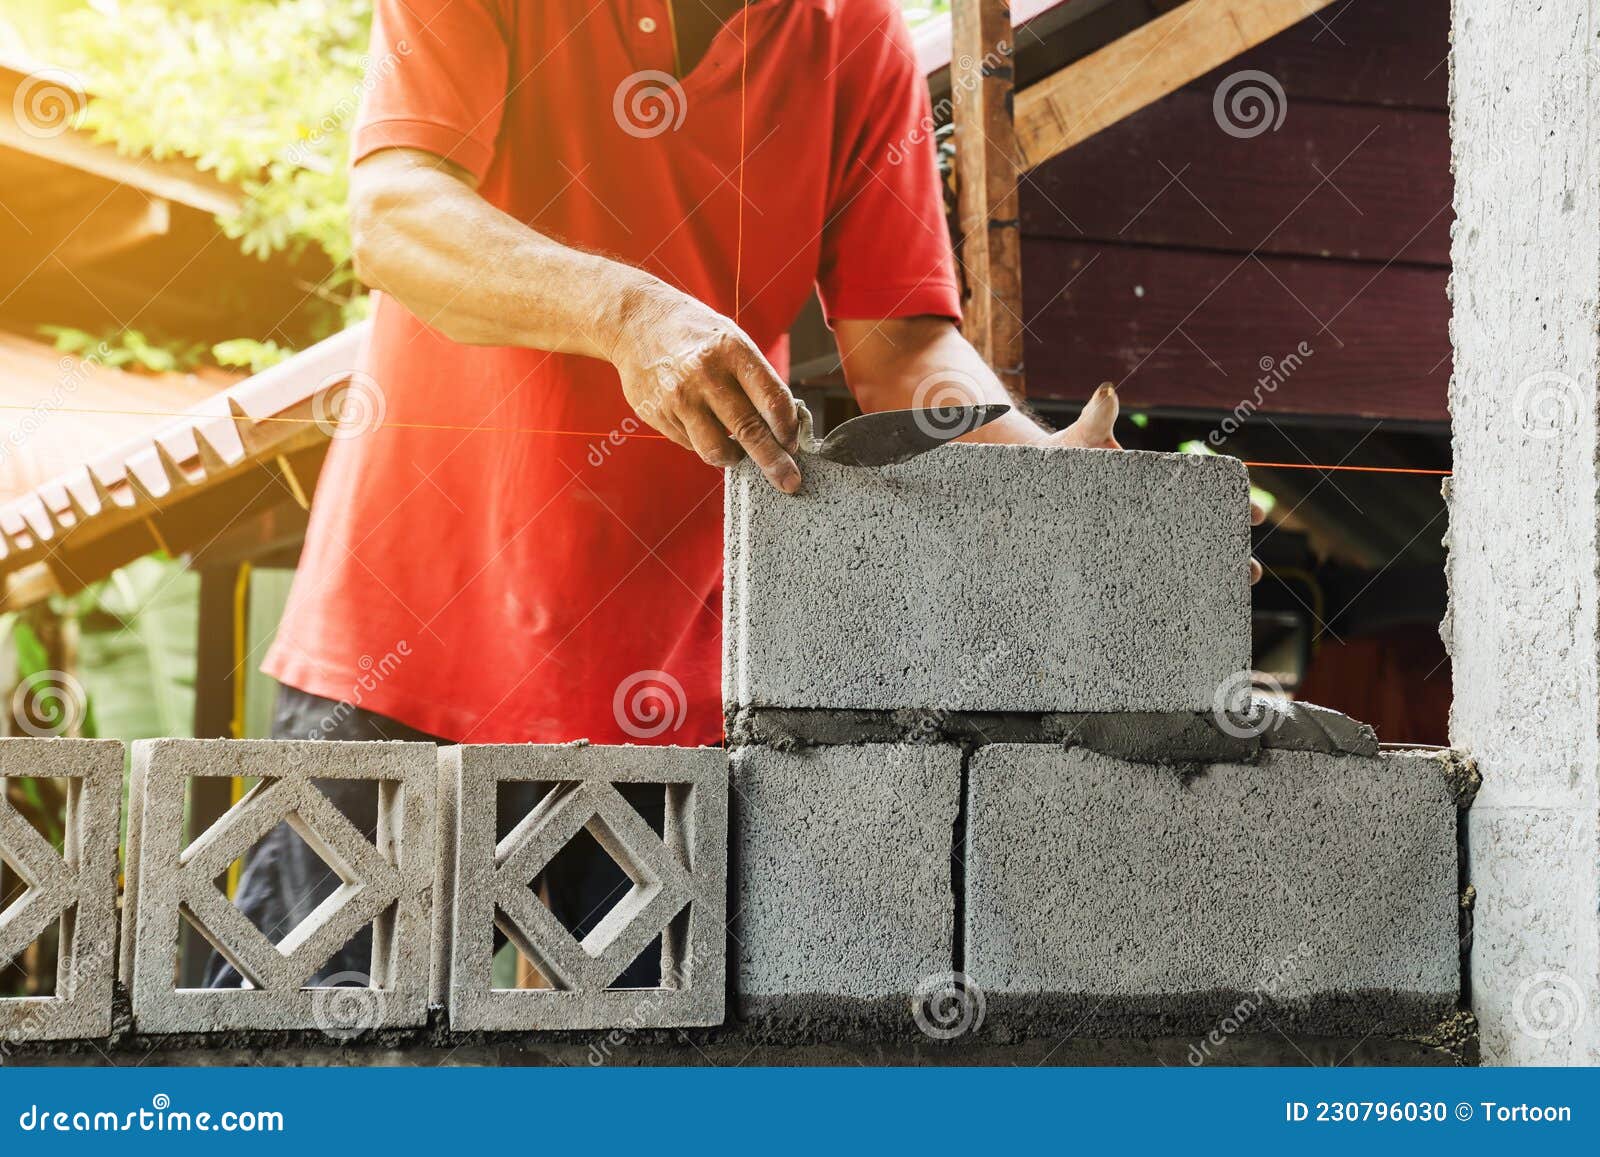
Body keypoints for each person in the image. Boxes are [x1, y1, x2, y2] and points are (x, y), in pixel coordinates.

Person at [216, 0, 1145, 988]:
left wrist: (1046, 485)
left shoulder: (852, 31)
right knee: (313, 1064)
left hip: (671, 696)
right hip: (402, 657)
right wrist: (627, 313)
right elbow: (394, 216)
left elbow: (900, 344)